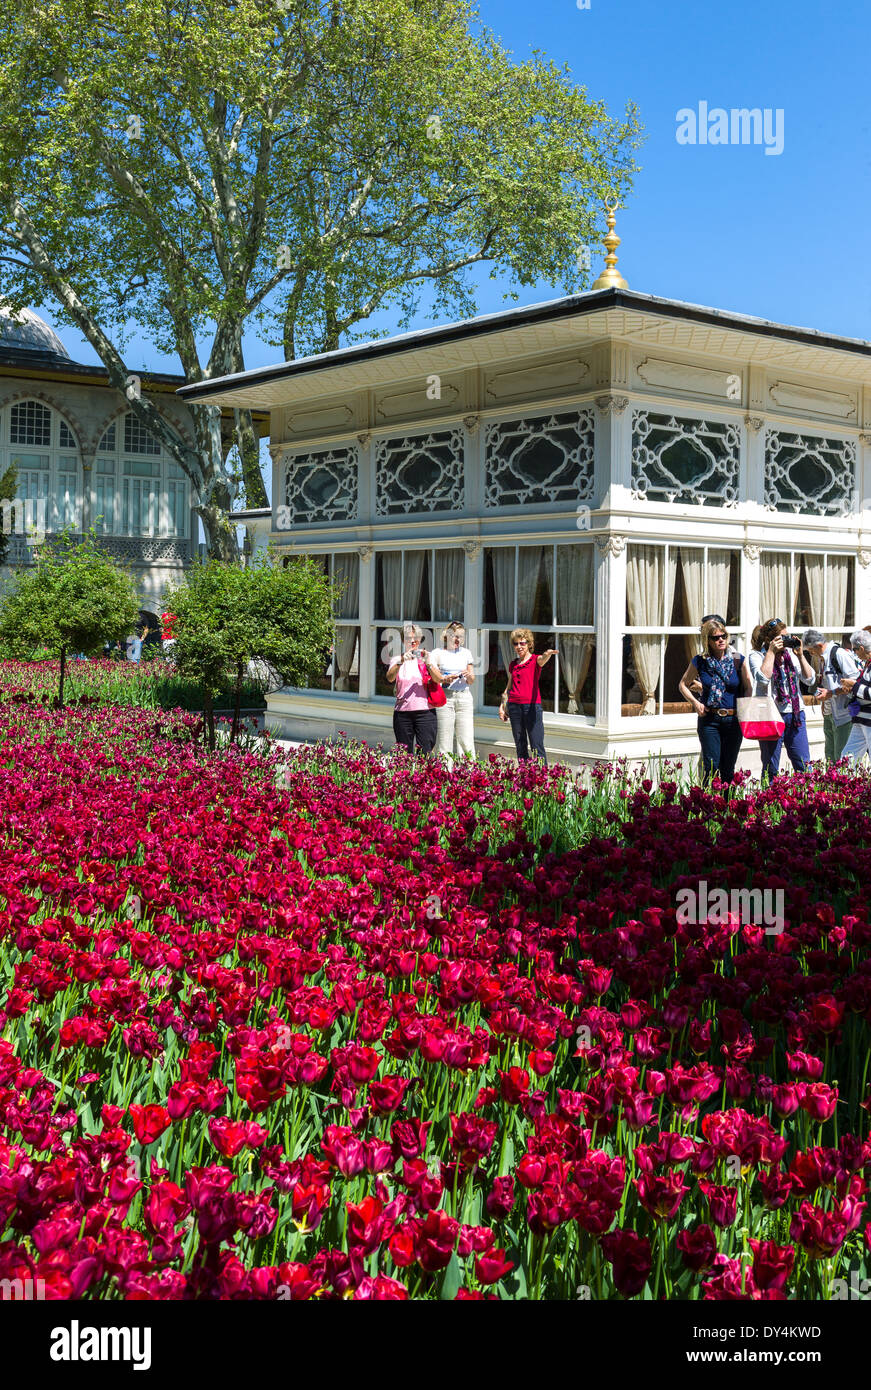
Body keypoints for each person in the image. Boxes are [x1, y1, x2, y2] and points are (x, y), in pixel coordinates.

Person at [679, 617, 752, 784]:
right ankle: (706, 805)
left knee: (728, 769)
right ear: (707, 640)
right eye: (716, 637)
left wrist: (745, 709)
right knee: (711, 766)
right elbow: (683, 684)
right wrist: (696, 703)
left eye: (724, 636)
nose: (721, 640)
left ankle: (729, 807)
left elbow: (748, 686)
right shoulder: (700, 661)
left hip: (733, 720)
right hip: (710, 720)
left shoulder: (737, 659)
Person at [748, 618, 816, 779]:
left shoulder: (791, 656)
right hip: (771, 716)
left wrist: (800, 656)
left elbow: (810, 679)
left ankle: (808, 802)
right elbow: (763, 679)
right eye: (782, 637)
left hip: (795, 714)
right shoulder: (757, 656)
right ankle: (769, 800)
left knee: (804, 764)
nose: (786, 640)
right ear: (769, 640)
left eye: (788, 636)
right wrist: (771, 652)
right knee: (770, 766)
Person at [802, 627, 860, 763]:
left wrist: (831, 693)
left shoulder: (839, 654)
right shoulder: (822, 658)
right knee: (830, 757)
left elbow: (854, 684)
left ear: (819, 645)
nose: (811, 654)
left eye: (811, 651)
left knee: (842, 759)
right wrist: (825, 699)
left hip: (844, 715)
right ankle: (831, 784)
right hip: (830, 714)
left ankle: (844, 784)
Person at [498, 629, 556, 763]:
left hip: (531, 707)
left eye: (522, 643)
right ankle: (525, 779)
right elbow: (509, 687)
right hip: (514, 707)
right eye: (516, 644)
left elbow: (542, 660)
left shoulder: (535, 660)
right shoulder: (514, 664)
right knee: (520, 745)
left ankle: (541, 781)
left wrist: (547, 655)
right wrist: (502, 706)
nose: (519, 647)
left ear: (529, 643)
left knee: (536, 746)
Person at [385, 623, 441, 754]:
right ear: (404, 640)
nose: (413, 641)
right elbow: (390, 678)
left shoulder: (428, 657)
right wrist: (401, 661)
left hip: (426, 712)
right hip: (403, 714)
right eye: (409, 638)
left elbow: (438, 679)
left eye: (416, 637)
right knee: (404, 755)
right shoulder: (397, 659)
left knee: (425, 753)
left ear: (420, 639)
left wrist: (428, 664)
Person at [429, 621, 476, 761]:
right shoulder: (437, 653)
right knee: (444, 740)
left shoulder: (466, 653)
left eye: (461, 637)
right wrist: (444, 678)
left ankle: (469, 775)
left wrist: (469, 676)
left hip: (464, 697)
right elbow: (434, 677)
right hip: (445, 698)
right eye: (455, 636)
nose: (458, 640)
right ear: (447, 636)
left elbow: (472, 680)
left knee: (466, 739)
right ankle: (445, 775)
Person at [835, 628, 871, 765]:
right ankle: (844, 784)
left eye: (855, 649)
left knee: (848, 758)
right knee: (848, 759)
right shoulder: (867, 664)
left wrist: (854, 685)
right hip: (860, 719)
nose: (854, 653)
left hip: (869, 720)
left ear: (861, 648)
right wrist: (851, 688)